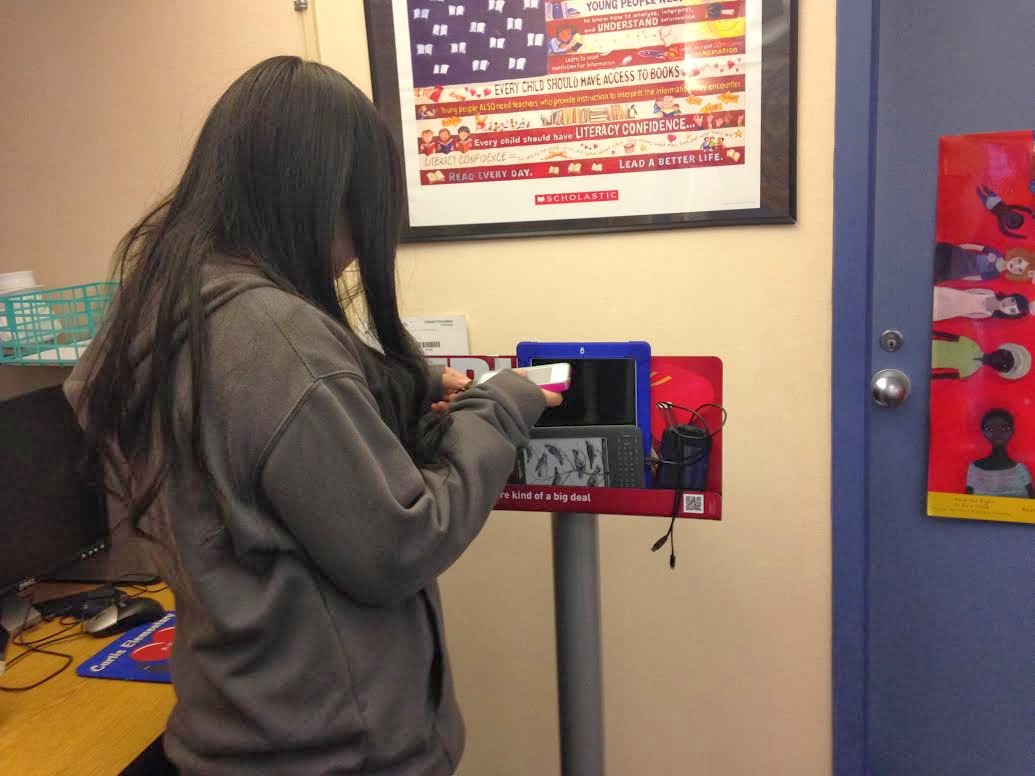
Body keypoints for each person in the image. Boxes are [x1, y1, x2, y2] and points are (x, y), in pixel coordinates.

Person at [64, 56, 561, 776]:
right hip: (329, 748)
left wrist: (400, 381)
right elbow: (398, 545)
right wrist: (500, 408)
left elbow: (245, 411)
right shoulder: (276, 334)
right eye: (358, 211)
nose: (359, 246)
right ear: (317, 196)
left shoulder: (161, 307)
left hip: (229, 721)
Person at [966, 409, 1034, 498]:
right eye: (990, 429)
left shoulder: (1021, 470)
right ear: (983, 432)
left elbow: (1031, 506)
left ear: (1013, 430)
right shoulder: (975, 469)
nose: (997, 433)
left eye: (1004, 428)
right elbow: (967, 505)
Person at [931, 287, 1030, 321]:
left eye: (1012, 310)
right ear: (1010, 296)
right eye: (1012, 301)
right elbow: (973, 291)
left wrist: (960, 312)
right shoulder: (990, 293)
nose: (1007, 305)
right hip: (959, 296)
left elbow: (972, 315)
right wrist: (961, 294)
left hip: (959, 310)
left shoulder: (989, 313)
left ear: (1009, 315)